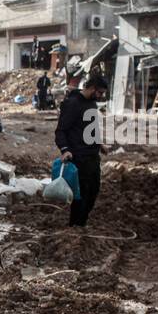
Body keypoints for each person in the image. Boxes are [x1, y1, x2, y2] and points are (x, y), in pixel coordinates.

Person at [55, 73, 108, 227]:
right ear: (91, 88)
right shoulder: (72, 104)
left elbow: (91, 128)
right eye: (99, 92)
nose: (100, 96)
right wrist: (65, 150)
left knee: (93, 191)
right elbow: (61, 131)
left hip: (92, 156)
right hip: (78, 156)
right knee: (81, 194)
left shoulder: (91, 103)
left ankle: (81, 224)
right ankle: (75, 227)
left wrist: (100, 144)